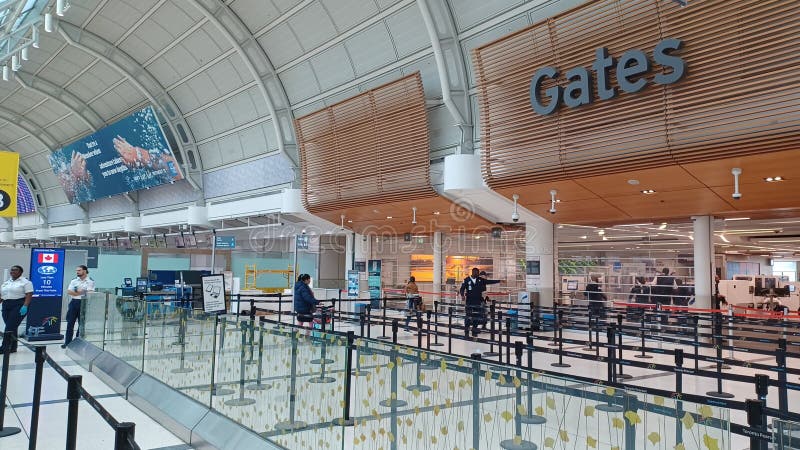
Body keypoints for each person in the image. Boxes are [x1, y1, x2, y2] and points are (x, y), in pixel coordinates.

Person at [0, 265, 34, 353]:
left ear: (20, 272)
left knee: (9, 326)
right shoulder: (7, 282)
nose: (12, 271)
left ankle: (5, 347)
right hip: (6, 305)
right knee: (12, 326)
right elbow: (3, 295)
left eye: (15, 270)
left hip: (18, 305)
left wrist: (25, 306)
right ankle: (13, 347)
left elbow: (29, 294)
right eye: (12, 270)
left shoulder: (26, 282)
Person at [459, 268, 499, 337]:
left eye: (478, 273)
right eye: (477, 273)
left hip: (477, 301)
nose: (478, 274)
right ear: (473, 272)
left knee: (476, 317)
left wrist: (499, 281)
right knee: (468, 316)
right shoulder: (466, 280)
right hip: (469, 301)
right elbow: (462, 289)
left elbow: (489, 282)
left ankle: (474, 331)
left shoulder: (480, 280)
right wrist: (462, 295)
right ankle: (466, 332)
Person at [62, 265, 95, 348]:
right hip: (74, 303)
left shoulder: (90, 281)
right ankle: (67, 343)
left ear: (84, 271)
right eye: (77, 270)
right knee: (70, 324)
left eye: (79, 270)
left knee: (81, 325)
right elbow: (69, 292)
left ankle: (77, 342)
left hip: (83, 303)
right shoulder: (74, 280)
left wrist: (77, 291)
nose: (77, 272)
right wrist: (81, 291)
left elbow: (89, 293)